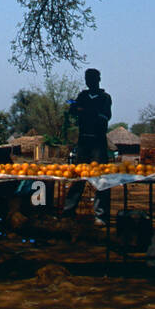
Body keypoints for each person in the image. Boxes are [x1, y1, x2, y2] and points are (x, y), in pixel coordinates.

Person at [63, 68, 113, 222]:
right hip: (83, 141)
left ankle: (100, 214)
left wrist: (84, 111)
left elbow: (103, 117)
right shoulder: (82, 96)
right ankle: (68, 211)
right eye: (87, 78)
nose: (88, 81)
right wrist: (77, 109)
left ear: (98, 79)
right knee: (79, 176)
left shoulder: (105, 97)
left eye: (91, 78)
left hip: (98, 141)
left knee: (101, 177)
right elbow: (74, 112)